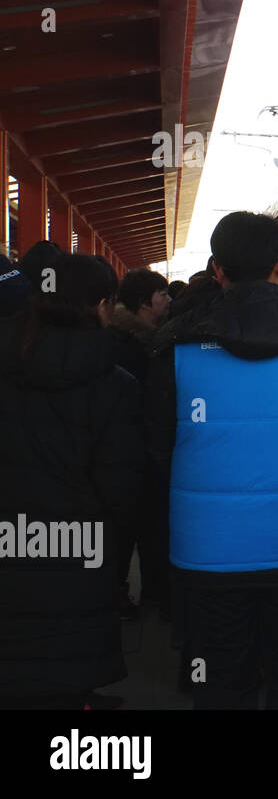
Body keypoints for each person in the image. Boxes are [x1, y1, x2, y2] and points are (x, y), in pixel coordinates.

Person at [147, 212, 278, 709]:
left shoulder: (177, 343)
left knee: (221, 679)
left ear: (217, 268)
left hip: (208, 551)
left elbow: (159, 448)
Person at [0, 253, 145, 709]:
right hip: (80, 542)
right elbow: (122, 490)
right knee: (67, 665)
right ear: (101, 305)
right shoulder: (116, 382)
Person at [106, 268, 172, 618]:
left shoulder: (124, 337)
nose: (168, 301)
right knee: (136, 527)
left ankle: (129, 591)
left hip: (128, 454)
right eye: (163, 295)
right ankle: (141, 593)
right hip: (130, 454)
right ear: (147, 303)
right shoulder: (136, 346)